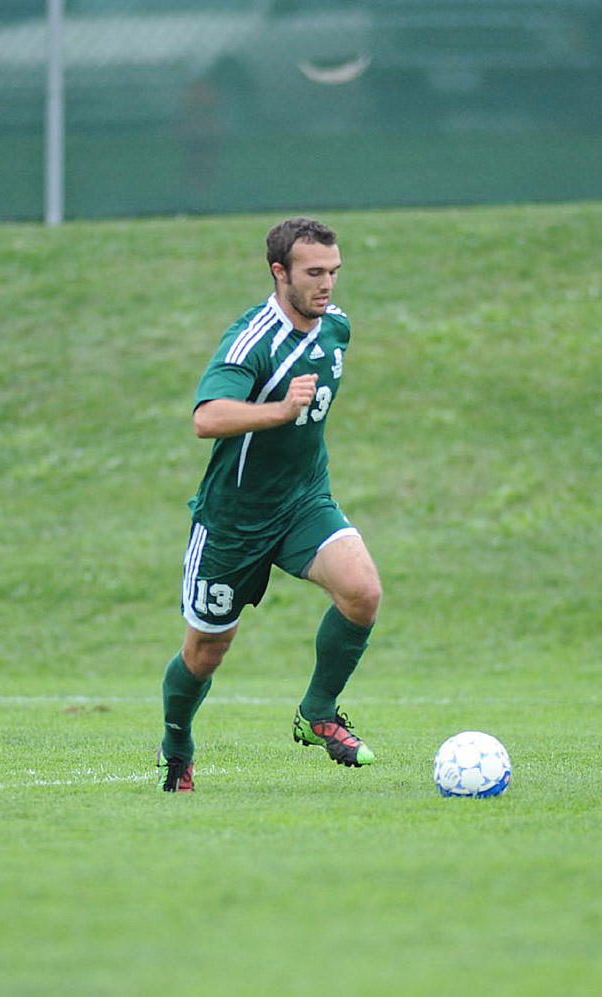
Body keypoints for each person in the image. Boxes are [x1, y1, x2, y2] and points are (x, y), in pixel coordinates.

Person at [158, 217, 382, 792]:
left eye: (333, 271)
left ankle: (317, 713)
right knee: (205, 652)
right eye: (313, 273)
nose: (326, 283)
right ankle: (176, 743)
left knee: (362, 592)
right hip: (234, 520)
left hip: (305, 501)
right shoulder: (251, 341)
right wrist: (279, 410)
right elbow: (206, 418)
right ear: (279, 272)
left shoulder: (336, 327)